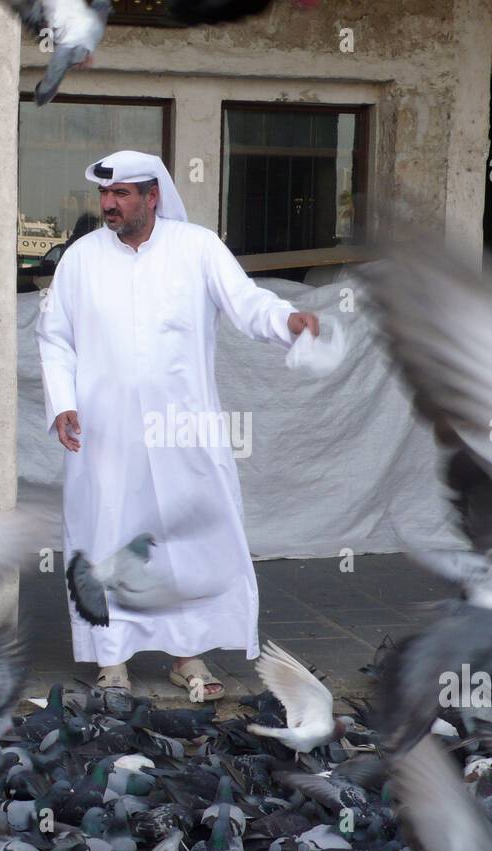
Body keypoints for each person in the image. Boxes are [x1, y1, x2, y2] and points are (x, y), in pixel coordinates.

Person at [36, 149, 319, 699]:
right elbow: (55, 338)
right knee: (106, 537)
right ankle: (110, 659)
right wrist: (63, 401)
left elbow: (247, 304)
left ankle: (187, 656)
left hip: (182, 431)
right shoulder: (82, 258)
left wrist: (287, 319)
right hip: (105, 436)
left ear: (152, 195)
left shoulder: (196, 248)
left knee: (186, 539)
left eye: (121, 195)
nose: (109, 205)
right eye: (104, 196)